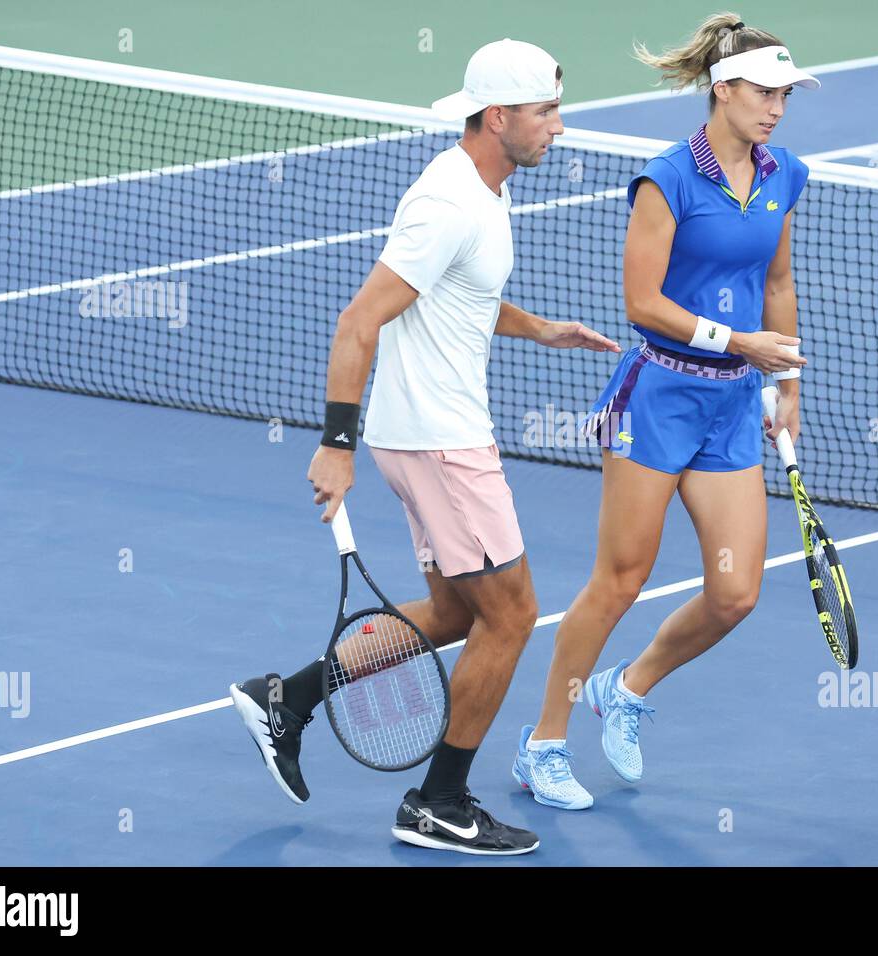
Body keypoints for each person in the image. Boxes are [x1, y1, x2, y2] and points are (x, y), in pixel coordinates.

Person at [230, 38, 619, 854]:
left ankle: (286, 698)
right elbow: (358, 320)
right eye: (546, 113)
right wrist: (335, 444)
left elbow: (460, 290)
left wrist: (538, 328)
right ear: (499, 116)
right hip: (442, 443)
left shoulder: (483, 189)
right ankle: (440, 801)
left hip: (426, 440)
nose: (559, 128)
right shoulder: (450, 200)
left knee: (452, 611)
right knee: (512, 616)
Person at [512, 13, 817, 810]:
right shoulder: (666, 179)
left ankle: (629, 686)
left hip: (733, 405)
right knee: (619, 580)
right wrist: (735, 340)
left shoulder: (785, 173)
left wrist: (784, 383)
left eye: (786, 95)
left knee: (736, 594)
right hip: (658, 400)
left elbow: (777, 281)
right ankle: (543, 743)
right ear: (723, 91)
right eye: (764, 92)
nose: (777, 108)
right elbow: (641, 302)